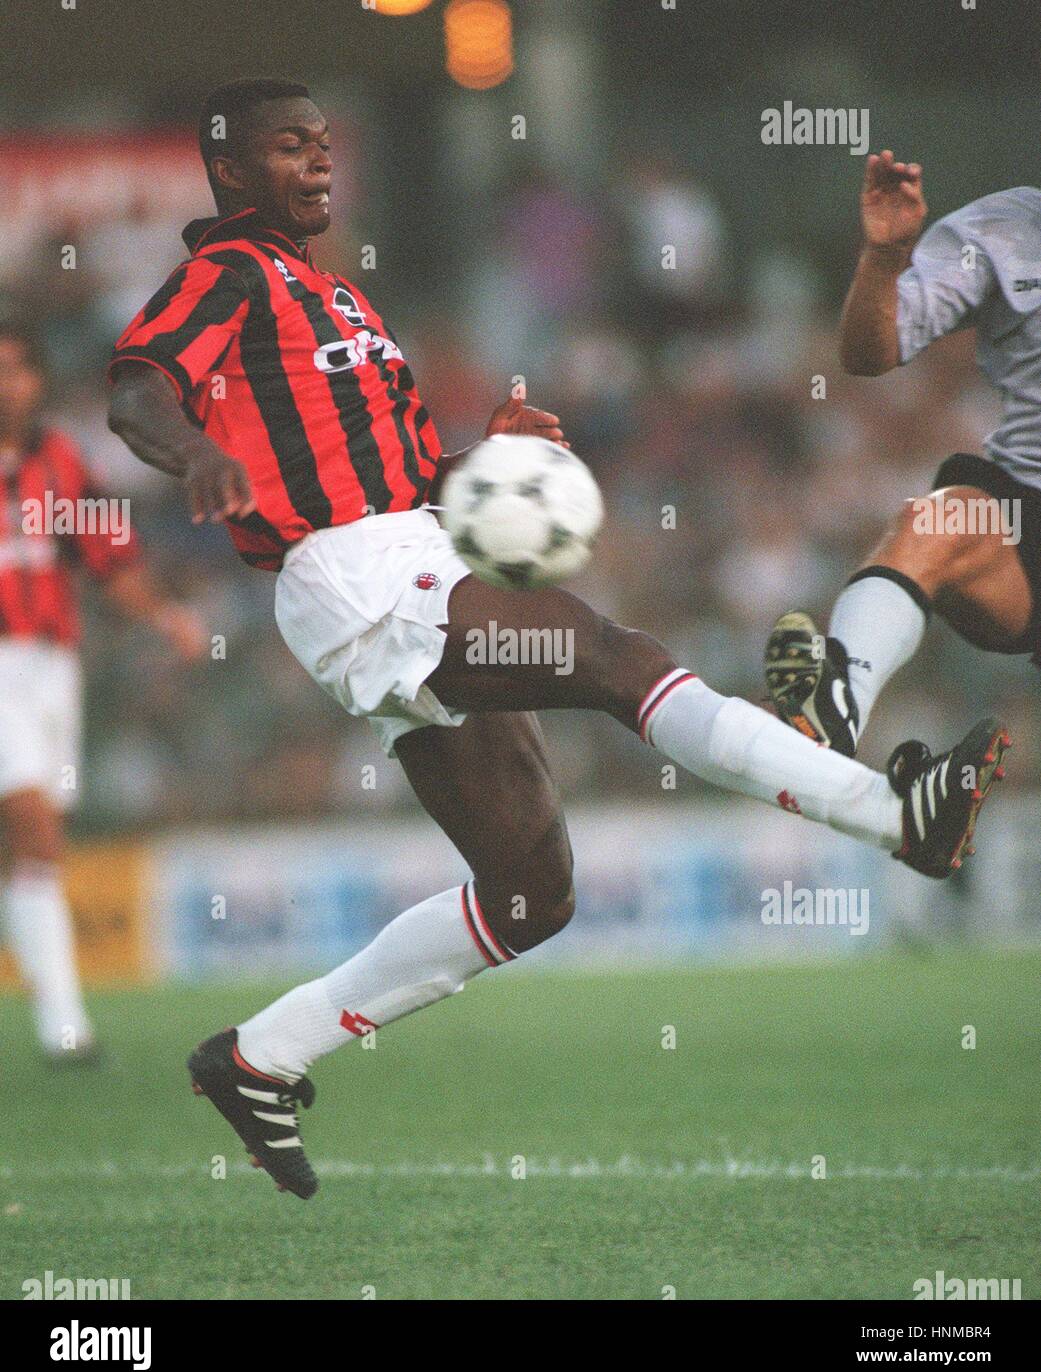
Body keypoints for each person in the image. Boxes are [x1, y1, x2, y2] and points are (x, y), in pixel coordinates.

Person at [108, 87, 1009, 1198]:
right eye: (288, 146)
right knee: (613, 656)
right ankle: (891, 816)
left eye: (325, 143)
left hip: (410, 549)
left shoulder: (332, 289)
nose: (318, 162)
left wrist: (481, 457)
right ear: (231, 170)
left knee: (532, 890)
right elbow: (137, 391)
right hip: (357, 572)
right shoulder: (228, 273)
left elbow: (392, 466)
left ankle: (258, 1055)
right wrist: (191, 451)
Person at [766, 151, 1035, 787]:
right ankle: (836, 711)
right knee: (936, 518)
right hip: (1027, 520)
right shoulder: (999, 232)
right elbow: (869, 353)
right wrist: (884, 259)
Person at [0, 320, 205, 1061]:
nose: (6, 384)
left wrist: (166, 616)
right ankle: (65, 1032)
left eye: (17, 368)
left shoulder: (61, 461)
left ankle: (63, 1022)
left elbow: (110, 559)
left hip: (52, 669)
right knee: (32, 824)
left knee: (39, 844)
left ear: (39, 381)